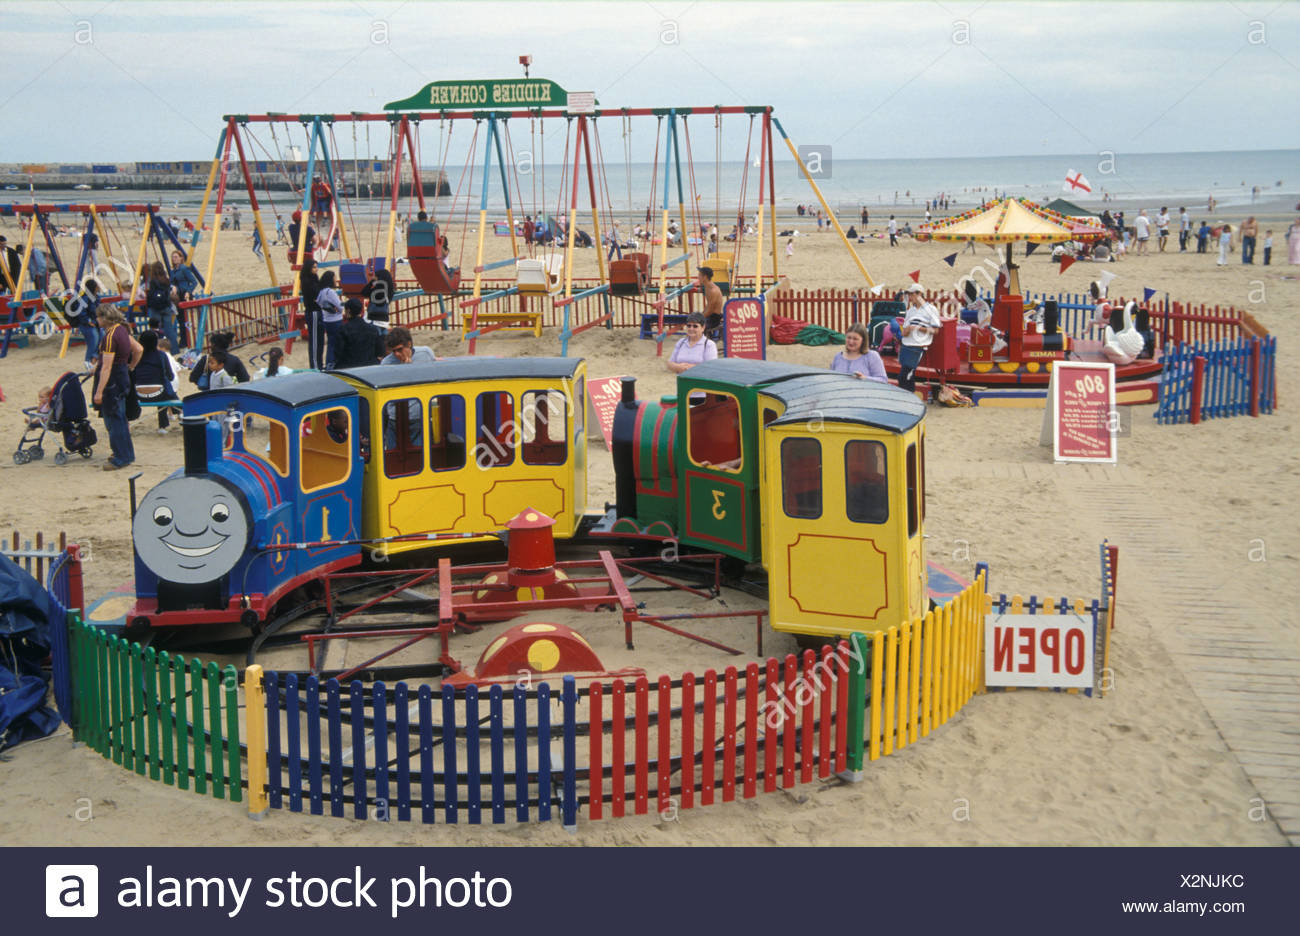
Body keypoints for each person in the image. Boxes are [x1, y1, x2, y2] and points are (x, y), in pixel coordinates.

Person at [92, 305, 141, 470]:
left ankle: (120, 457)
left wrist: (99, 391)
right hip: (122, 376)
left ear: (104, 318)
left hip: (112, 380)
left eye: (98, 317)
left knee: (114, 420)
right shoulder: (122, 329)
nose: (97, 320)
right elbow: (138, 349)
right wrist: (131, 366)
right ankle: (126, 453)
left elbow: (106, 367)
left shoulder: (109, 336)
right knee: (120, 418)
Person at [131, 330, 180, 433]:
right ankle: (162, 426)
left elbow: (132, 374)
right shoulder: (161, 355)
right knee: (164, 386)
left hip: (139, 394)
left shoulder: (135, 355)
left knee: (162, 384)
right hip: (158, 393)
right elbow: (170, 376)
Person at [897, 283, 941, 394]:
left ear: (919, 294)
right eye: (909, 295)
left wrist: (916, 328)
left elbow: (936, 331)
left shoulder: (931, 309)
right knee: (905, 376)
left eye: (911, 294)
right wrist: (905, 331)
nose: (910, 297)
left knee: (905, 376)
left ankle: (909, 399)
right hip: (907, 344)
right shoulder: (911, 311)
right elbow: (906, 329)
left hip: (917, 346)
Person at [333, 298, 386, 368]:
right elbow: (380, 351)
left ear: (348, 311)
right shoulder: (372, 329)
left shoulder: (343, 329)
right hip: (369, 366)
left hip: (349, 367)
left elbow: (338, 352)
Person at [65, 276, 102, 369]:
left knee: (103, 336)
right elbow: (81, 312)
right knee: (94, 339)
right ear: (93, 287)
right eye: (97, 286)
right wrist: (88, 321)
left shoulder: (96, 298)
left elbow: (98, 310)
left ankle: (94, 358)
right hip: (85, 324)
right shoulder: (84, 298)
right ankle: (87, 361)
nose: (99, 288)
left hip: (95, 323)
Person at [144, 260, 179, 351]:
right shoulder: (166, 280)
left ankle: (157, 349)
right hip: (166, 306)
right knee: (169, 329)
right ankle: (174, 349)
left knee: (156, 330)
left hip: (156, 308)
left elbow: (151, 294)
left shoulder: (152, 281)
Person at [298, 256, 324, 369]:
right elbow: (315, 295)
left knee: (320, 339)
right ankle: (314, 365)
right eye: (314, 267)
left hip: (318, 310)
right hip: (312, 311)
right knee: (314, 340)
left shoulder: (314, 279)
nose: (316, 269)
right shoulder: (307, 281)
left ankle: (319, 363)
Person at [316, 270, 344, 369]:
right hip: (336, 320)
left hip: (327, 319)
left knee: (330, 343)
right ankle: (333, 363)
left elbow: (318, 302)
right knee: (336, 343)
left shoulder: (321, 292)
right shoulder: (330, 292)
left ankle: (328, 363)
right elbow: (340, 307)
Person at [362, 263, 395, 327]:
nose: (374, 277)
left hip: (374, 319)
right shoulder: (390, 289)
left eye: (375, 276)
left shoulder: (378, 289)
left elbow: (364, 292)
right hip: (384, 319)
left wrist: (371, 283)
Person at [696, 266, 723, 335]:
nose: (698, 277)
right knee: (693, 321)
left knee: (696, 326)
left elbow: (711, 310)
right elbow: (708, 306)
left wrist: (700, 317)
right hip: (711, 315)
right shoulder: (707, 286)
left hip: (714, 318)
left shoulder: (713, 290)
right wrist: (701, 314)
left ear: (705, 277)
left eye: (699, 275)